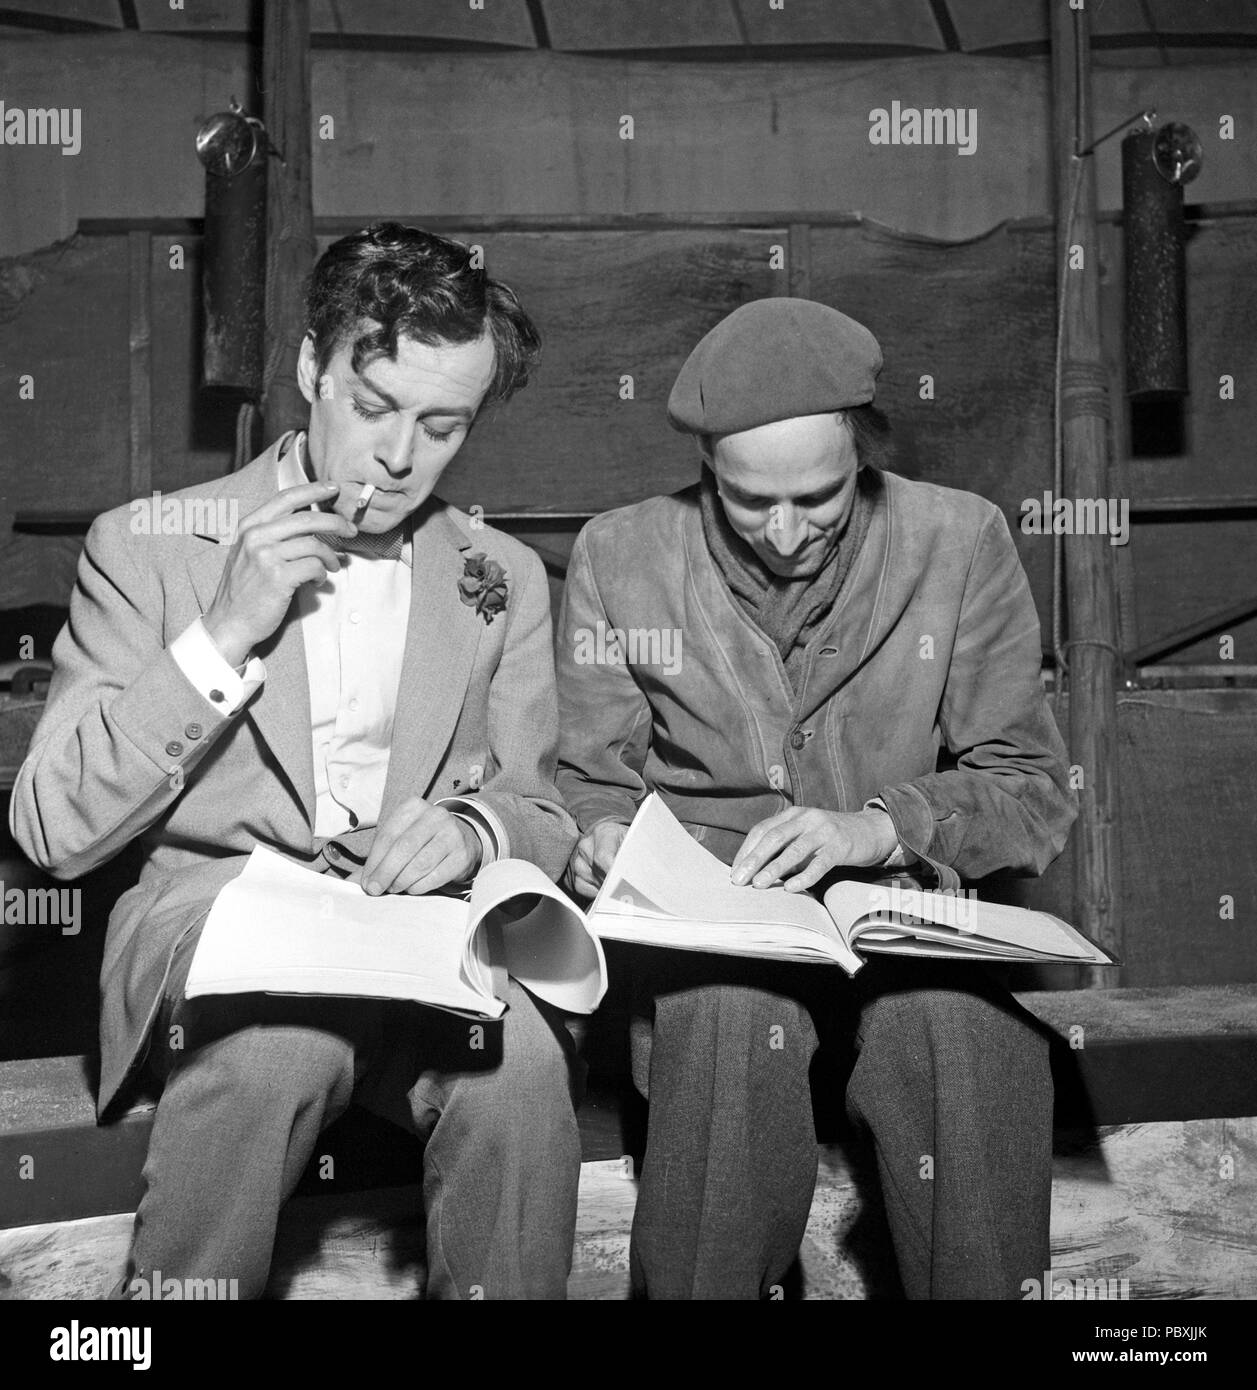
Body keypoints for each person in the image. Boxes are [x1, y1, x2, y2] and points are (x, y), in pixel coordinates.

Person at [10, 222, 581, 1300]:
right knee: (276, 1046)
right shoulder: (150, 545)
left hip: (417, 943)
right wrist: (223, 635)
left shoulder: (500, 573)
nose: (401, 456)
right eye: (374, 407)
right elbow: (52, 825)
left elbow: (540, 802)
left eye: (443, 426)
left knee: (522, 1067)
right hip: (215, 925)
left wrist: (476, 829)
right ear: (313, 367)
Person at [555, 297, 1077, 1300]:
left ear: (863, 456)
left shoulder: (958, 541)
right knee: (723, 1020)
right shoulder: (621, 557)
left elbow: (1031, 788)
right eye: (750, 503)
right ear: (707, 466)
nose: (786, 533)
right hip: (721, 937)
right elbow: (587, 778)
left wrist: (881, 827)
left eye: (820, 498)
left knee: (963, 1037)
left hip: (905, 920)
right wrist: (597, 835)